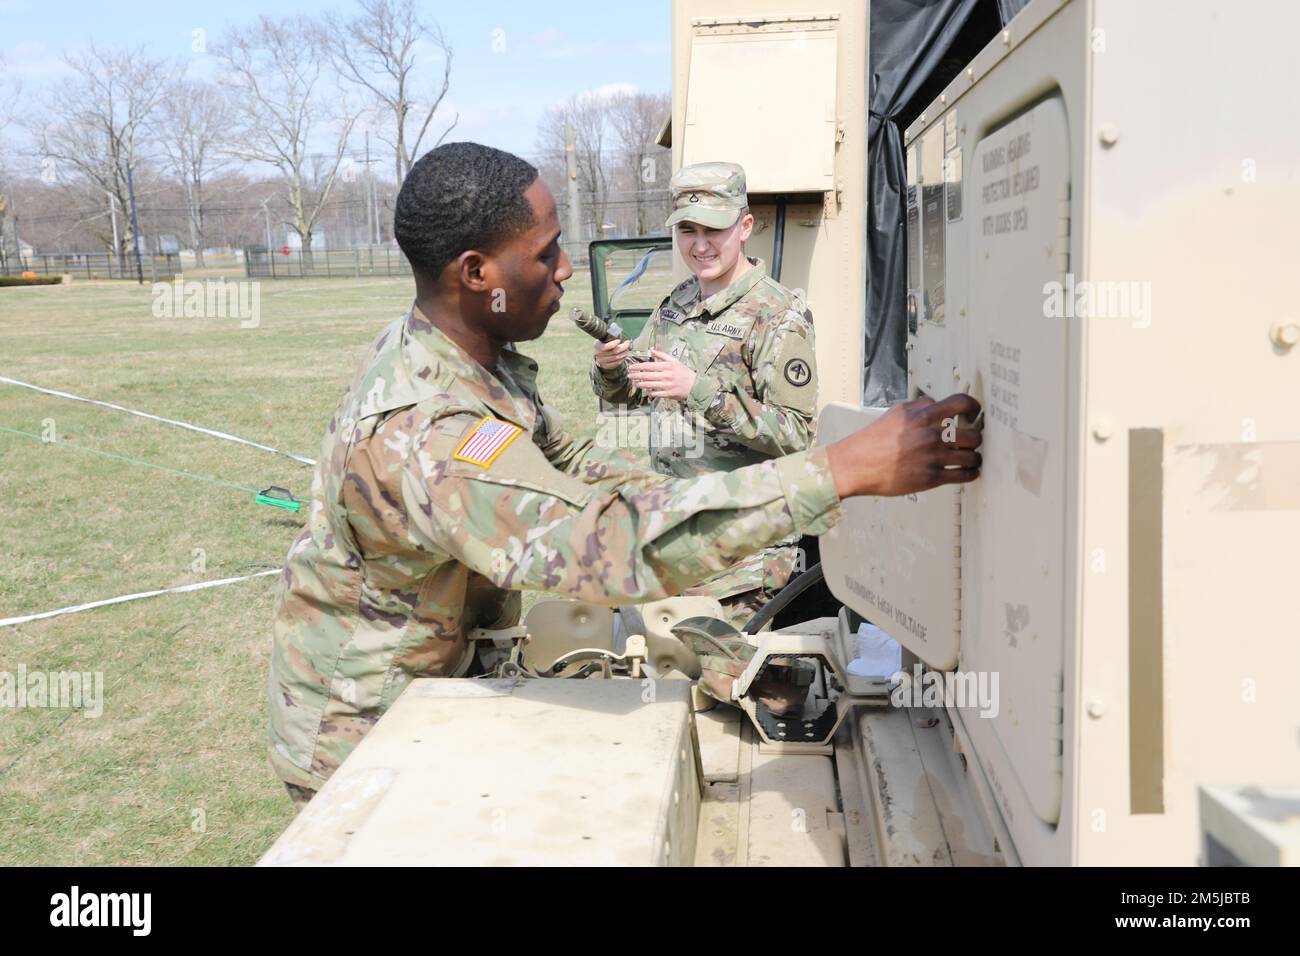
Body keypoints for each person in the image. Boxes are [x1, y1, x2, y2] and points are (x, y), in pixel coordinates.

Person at [267, 142, 982, 807]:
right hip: (367, 743)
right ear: (478, 273)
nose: (567, 271)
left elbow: (571, 460)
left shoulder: (473, 361)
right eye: (546, 254)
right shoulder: (431, 432)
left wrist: (690, 496)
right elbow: (605, 551)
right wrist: (838, 471)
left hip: (435, 692)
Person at [589, 162, 818, 630]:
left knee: (721, 683)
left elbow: (797, 436)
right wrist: (611, 370)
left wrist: (699, 391)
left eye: (714, 229)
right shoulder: (676, 304)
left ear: (745, 227)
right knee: (656, 665)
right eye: (687, 230)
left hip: (741, 545)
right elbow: (631, 396)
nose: (699, 245)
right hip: (674, 526)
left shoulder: (777, 315)